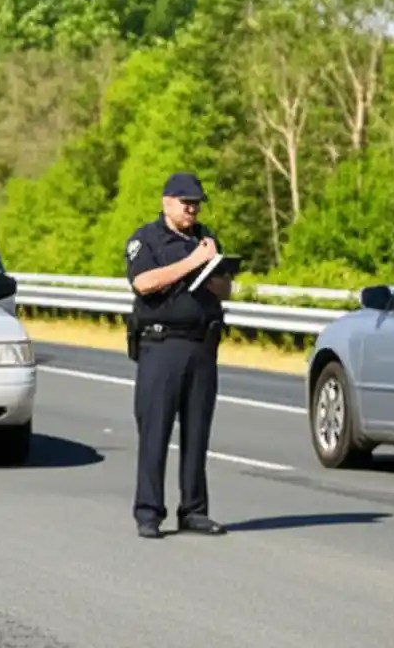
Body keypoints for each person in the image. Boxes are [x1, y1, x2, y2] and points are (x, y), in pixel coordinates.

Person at [124, 171, 234, 539]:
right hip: (162, 345)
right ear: (166, 202)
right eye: (185, 202)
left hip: (202, 345)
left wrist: (217, 268)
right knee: (155, 431)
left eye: (196, 202)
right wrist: (192, 263)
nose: (192, 208)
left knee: (197, 433)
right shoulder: (146, 239)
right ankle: (149, 512)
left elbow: (224, 291)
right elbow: (144, 283)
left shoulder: (207, 238)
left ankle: (195, 510)